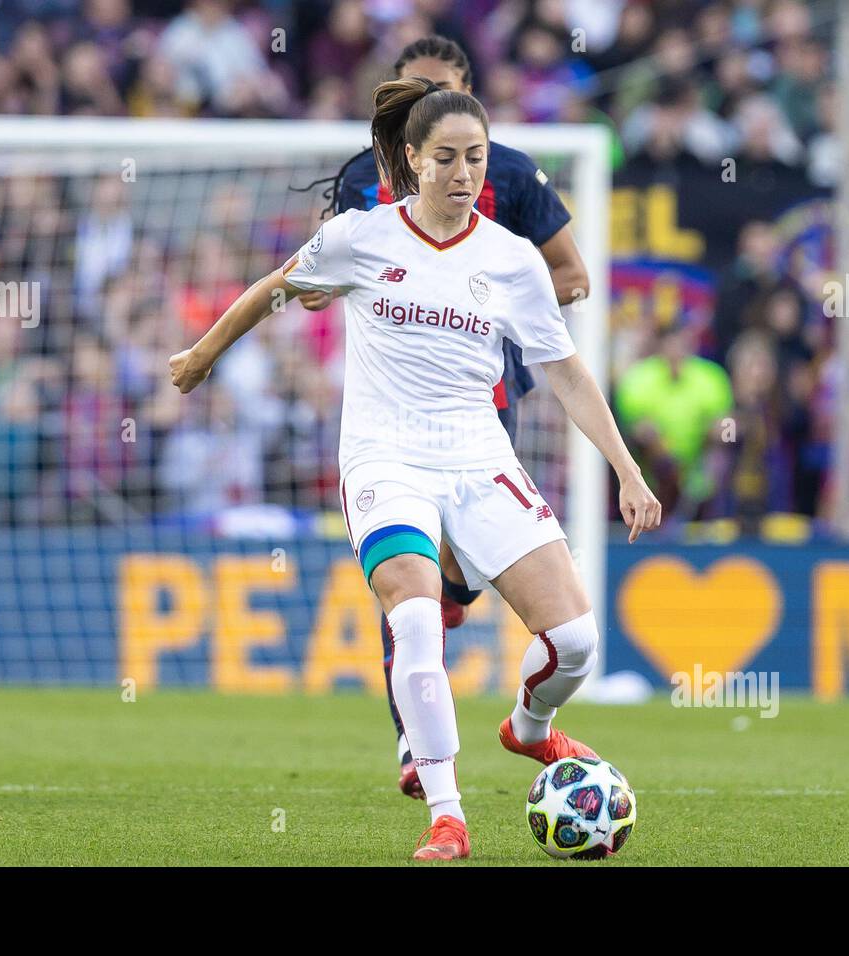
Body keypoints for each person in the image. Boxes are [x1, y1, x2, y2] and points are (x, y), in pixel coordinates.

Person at [170, 77, 660, 859]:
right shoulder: (360, 237)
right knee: (417, 617)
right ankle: (448, 815)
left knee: (573, 643)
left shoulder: (512, 261)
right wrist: (201, 355)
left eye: (475, 158)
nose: (464, 174)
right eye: (446, 159)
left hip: (476, 453)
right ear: (411, 160)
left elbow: (565, 371)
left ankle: (528, 731)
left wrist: (627, 471)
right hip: (384, 456)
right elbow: (276, 289)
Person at [298, 35, 591, 800]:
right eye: (417, 91)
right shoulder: (363, 183)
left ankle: (462, 614)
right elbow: (323, 275)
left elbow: (574, 275)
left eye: (444, 86)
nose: (459, 167)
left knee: (459, 584)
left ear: (467, 89)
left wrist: (481, 307)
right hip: (392, 406)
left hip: (484, 399)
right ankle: (420, 754)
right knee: (411, 590)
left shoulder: (516, 176)